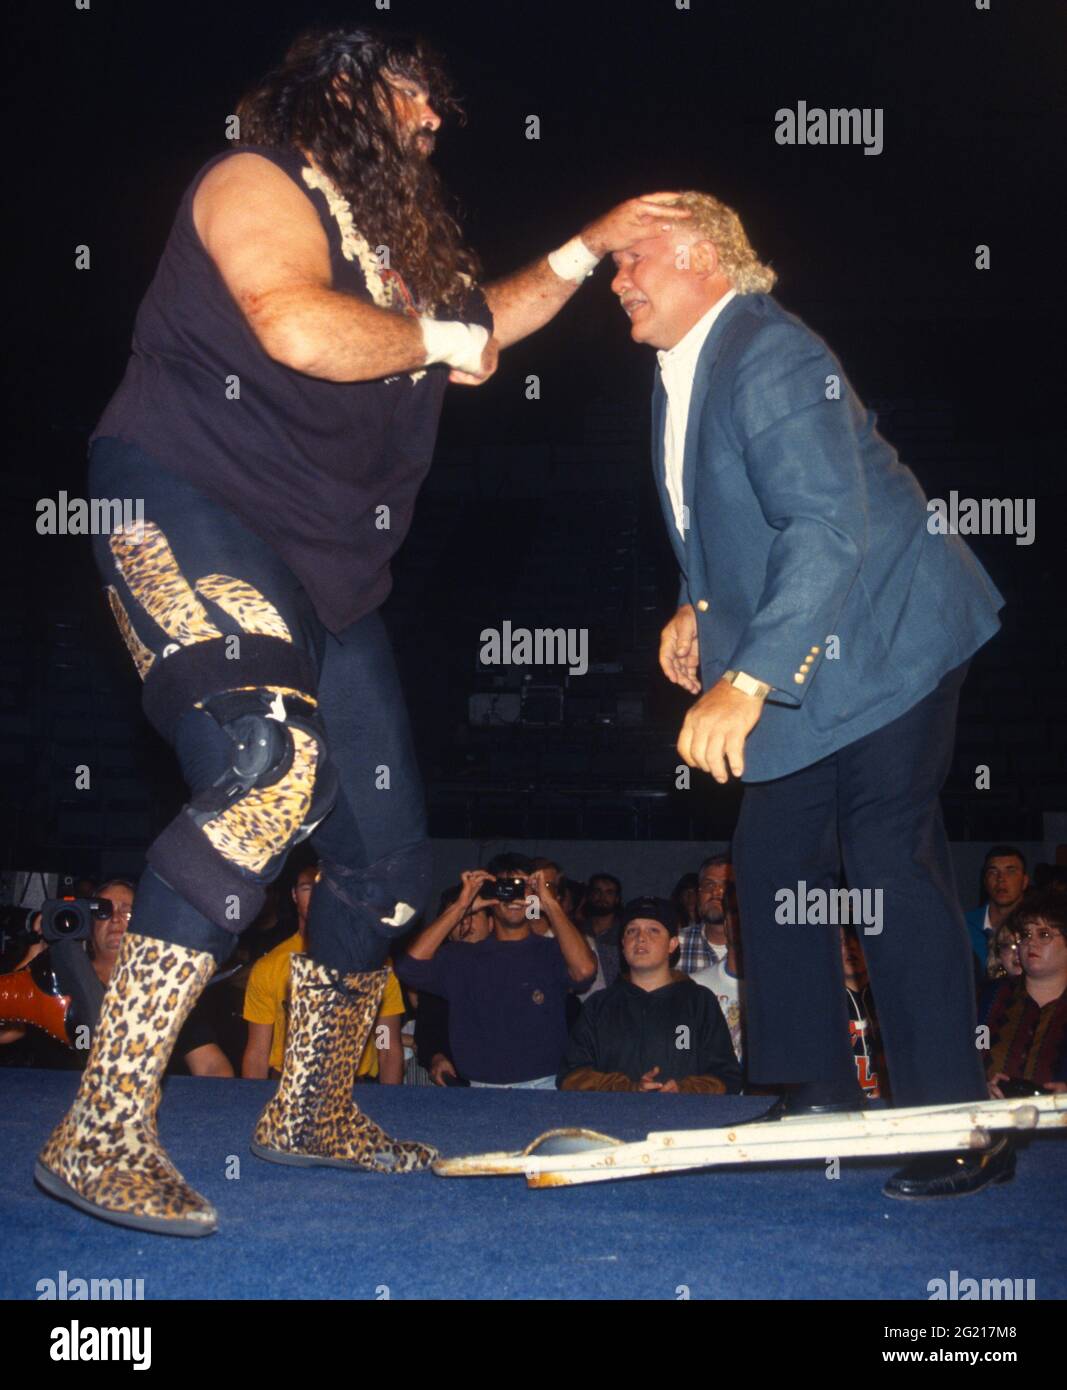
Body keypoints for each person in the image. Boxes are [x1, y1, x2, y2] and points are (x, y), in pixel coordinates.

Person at [35, 22, 694, 1237]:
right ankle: (105, 1121)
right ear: (342, 89)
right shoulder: (258, 177)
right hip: (187, 499)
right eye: (415, 97)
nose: (435, 122)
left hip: (332, 575)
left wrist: (586, 244)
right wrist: (446, 340)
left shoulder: (393, 257)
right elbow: (290, 323)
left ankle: (312, 1107)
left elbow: (488, 314)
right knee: (266, 766)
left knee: (390, 870)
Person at [616, 189, 1009, 1199]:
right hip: (812, 640)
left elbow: (825, 527)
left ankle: (954, 1119)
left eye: (633, 260)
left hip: (885, 629)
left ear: (703, 254)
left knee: (882, 852)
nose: (615, 280)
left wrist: (744, 678)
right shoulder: (683, 370)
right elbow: (726, 520)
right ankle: (816, 1087)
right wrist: (693, 606)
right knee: (769, 851)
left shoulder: (770, 354)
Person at [397, 855, 596, 1087]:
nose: (513, 897)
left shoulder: (551, 951)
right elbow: (408, 968)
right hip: (480, 1088)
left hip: (544, 1086)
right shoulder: (463, 956)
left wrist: (549, 904)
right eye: (504, 888)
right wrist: (461, 906)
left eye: (521, 888)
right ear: (492, 894)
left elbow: (584, 971)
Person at [558, 897, 741, 1093]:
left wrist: (685, 1089)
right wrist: (628, 1088)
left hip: (684, 1119)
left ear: (672, 944)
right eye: (632, 930)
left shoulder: (699, 1001)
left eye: (653, 930)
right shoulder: (599, 1005)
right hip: (613, 1119)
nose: (641, 937)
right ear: (622, 944)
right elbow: (571, 1076)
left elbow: (727, 1075)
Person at [242, 864, 404, 1084]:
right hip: (288, 1087)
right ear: (294, 895)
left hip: (356, 1087)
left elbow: (385, 1043)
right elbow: (258, 1053)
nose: (318, 897)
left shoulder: (374, 963)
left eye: (325, 889)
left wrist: (389, 1100)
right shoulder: (269, 967)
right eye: (308, 888)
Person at [979, 890, 1067, 1097]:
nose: (1030, 943)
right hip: (988, 1121)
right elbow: (965, 1054)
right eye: (1026, 935)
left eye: (1044, 934)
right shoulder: (988, 998)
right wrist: (980, 1087)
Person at [965, 846, 1030, 979]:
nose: (1001, 879)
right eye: (993, 872)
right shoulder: (963, 927)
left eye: (1010, 871)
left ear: (1024, 881)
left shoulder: (1038, 929)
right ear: (985, 881)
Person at [678, 854, 734, 974]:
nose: (716, 892)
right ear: (699, 894)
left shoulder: (755, 947)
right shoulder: (676, 945)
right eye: (709, 885)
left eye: (726, 886)